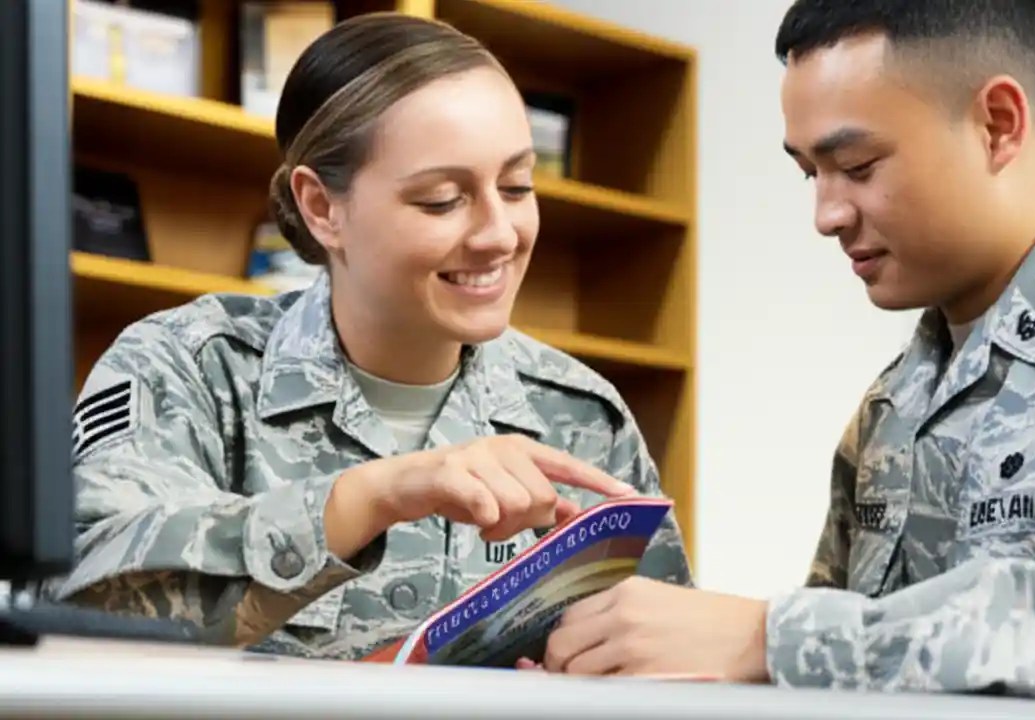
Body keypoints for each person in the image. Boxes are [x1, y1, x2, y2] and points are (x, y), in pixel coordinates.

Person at [537, 1, 1035, 718]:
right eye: (810, 173)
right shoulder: (893, 406)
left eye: (856, 165)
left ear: (998, 125)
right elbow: (834, 683)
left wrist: (773, 635)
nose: (826, 214)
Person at [55, 12, 690, 661]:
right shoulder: (186, 370)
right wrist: (376, 495)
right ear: (323, 207)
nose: (500, 233)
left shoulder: (583, 415)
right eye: (442, 199)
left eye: (517, 186)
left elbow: (659, 659)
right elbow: (78, 607)